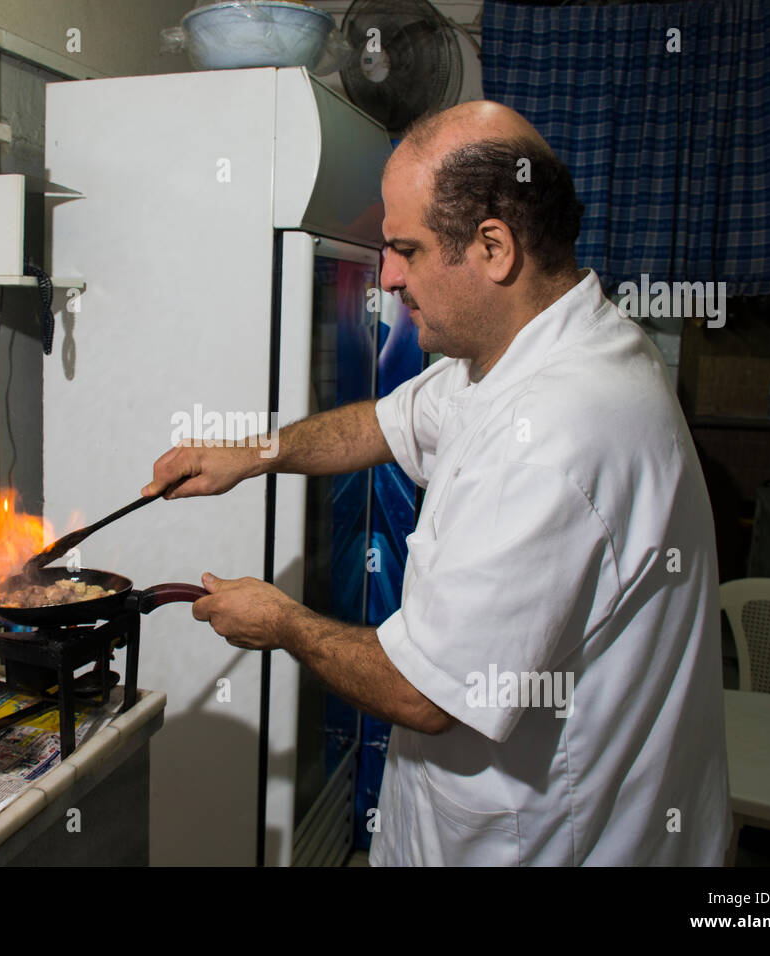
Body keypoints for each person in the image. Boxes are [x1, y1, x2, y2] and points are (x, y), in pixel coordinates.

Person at [142, 101, 732, 866]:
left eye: (405, 251)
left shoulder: (557, 431)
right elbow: (385, 425)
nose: (386, 277)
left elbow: (425, 695)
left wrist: (282, 621)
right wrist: (248, 453)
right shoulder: (526, 351)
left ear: (493, 247)